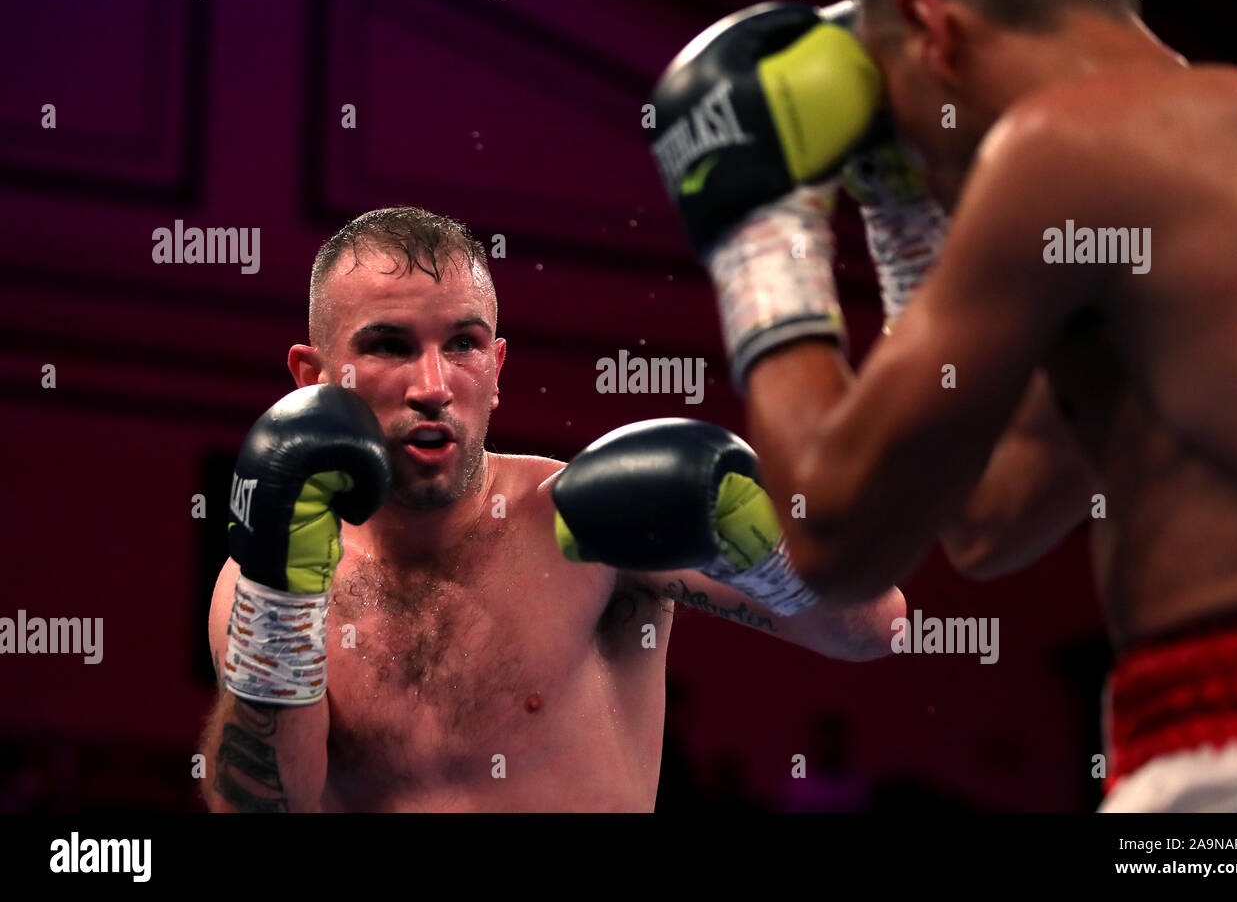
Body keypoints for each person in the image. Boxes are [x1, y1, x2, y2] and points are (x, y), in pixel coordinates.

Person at [649, 0, 1237, 810]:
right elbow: (987, 518)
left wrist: (761, 236)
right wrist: (909, 237)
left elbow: (834, 537)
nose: (912, 159)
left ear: (931, 30)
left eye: (896, 108)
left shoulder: (1062, 147)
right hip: (1222, 724)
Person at [198, 207, 905, 812]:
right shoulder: (264, 580)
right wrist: (280, 601)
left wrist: (754, 542)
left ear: (496, 370)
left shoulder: (588, 523)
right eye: (390, 345)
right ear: (313, 379)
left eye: (464, 344)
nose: (434, 385)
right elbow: (258, 807)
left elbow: (873, 629)